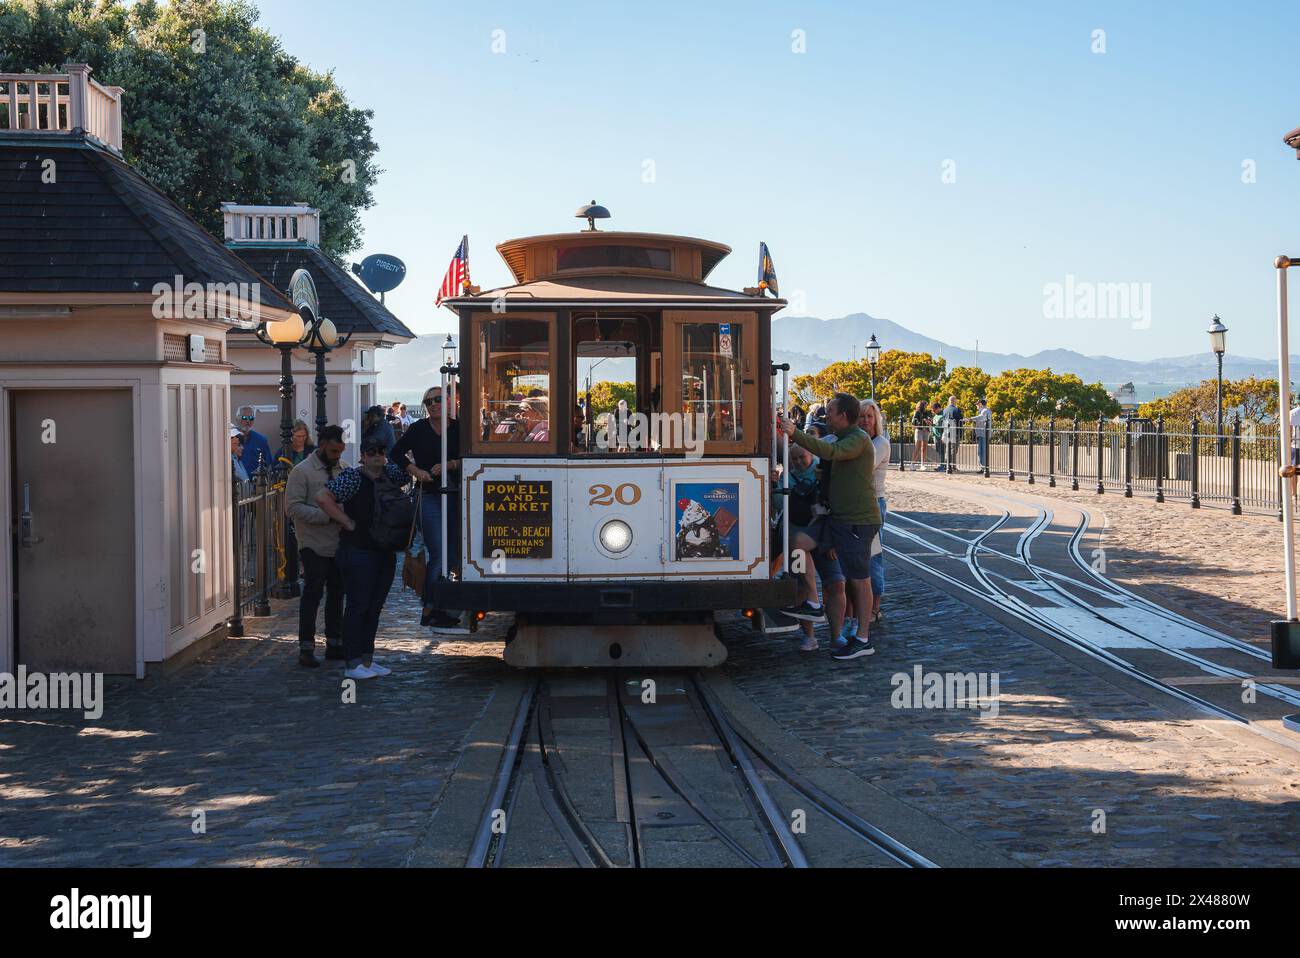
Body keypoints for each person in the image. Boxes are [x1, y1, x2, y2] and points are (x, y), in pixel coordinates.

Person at [777, 393, 882, 660]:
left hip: (857, 520)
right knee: (799, 543)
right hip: (835, 517)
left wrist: (795, 432)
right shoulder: (841, 437)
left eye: (831, 411)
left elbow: (828, 451)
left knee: (860, 580)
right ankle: (813, 601)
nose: (826, 416)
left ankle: (862, 638)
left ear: (843, 415)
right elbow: (823, 450)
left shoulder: (856, 439)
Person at [315, 439, 409, 680]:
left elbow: (409, 476)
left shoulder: (390, 473)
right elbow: (323, 497)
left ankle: (367, 659)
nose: (378, 456)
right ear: (362, 457)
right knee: (358, 606)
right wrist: (346, 522)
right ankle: (352, 662)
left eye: (381, 451)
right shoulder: (353, 478)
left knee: (374, 607)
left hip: (385, 550)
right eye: (372, 452)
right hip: (358, 550)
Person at [392, 385, 466, 633]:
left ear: (448, 403)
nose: (433, 404)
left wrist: (451, 464)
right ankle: (431, 607)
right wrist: (416, 471)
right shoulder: (418, 429)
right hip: (430, 496)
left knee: (454, 553)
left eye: (437, 400)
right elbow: (396, 453)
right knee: (439, 554)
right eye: (428, 401)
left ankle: (441, 607)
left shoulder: (459, 429)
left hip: (456, 496)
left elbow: (473, 456)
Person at [285, 425, 348, 667]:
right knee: (313, 593)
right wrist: (328, 516)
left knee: (337, 592)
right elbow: (293, 508)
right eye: (333, 451)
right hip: (312, 542)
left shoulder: (344, 469)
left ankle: (334, 642)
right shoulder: (301, 473)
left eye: (340, 452)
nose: (337, 456)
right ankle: (306, 646)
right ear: (322, 445)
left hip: (338, 543)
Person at [861, 400, 890, 630]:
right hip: (857, 503)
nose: (866, 421)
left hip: (873, 503)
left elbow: (863, 467)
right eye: (862, 416)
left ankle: (875, 607)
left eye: (870, 416)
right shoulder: (855, 442)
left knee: (873, 556)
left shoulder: (880, 443)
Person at [235, 405, 273, 476]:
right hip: (235, 483)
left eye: (251, 418)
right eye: (244, 418)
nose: (248, 421)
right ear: (237, 419)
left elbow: (269, 466)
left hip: (256, 483)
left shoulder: (261, 440)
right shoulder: (231, 439)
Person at [941, 395, 964, 472]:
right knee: (954, 450)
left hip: (947, 432)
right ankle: (953, 466)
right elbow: (960, 422)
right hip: (955, 432)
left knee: (948, 449)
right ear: (955, 401)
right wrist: (961, 434)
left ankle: (947, 465)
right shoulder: (957, 410)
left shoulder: (944, 410)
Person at [972, 398, 992, 469]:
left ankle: (984, 468)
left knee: (982, 451)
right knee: (981, 451)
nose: (976, 406)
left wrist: (970, 418)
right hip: (981, 434)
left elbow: (981, 418)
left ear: (980, 404)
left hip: (984, 434)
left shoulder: (985, 411)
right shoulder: (984, 411)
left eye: (977, 405)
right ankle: (983, 467)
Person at [911, 400, 931, 470]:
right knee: (917, 447)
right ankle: (912, 464)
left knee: (924, 448)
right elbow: (913, 422)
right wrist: (922, 422)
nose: (926, 406)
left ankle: (922, 464)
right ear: (922, 405)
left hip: (926, 431)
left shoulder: (927, 412)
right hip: (919, 430)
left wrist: (929, 421)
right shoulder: (916, 412)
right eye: (925, 405)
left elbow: (930, 421)